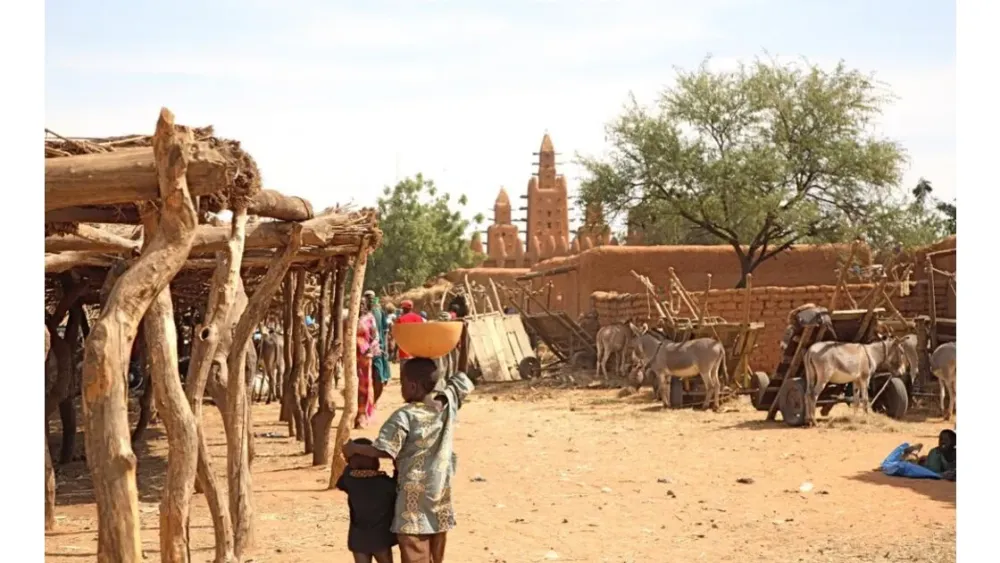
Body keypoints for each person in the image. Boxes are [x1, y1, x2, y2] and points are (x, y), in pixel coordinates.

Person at [342, 335, 474, 563]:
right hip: (440, 492)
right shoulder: (448, 403)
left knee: (414, 550)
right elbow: (461, 377)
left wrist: (353, 448)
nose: (401, 387)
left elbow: (383, 450)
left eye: (402, 382)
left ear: (412, 386)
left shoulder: (404, 416)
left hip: (412, 498)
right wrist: (462, 339)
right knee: (435, 552)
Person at [335, 437, 398, 563]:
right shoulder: (386, 484)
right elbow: (398, 484)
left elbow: (342, 480)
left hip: (358, 539)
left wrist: (350, 457)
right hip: (381, 539)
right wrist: (396, 466)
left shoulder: (349, 481)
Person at [355, 298, 381, 429]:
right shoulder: (350, 318)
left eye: (362, 304)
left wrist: (370, 349)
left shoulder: (370, 319)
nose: (360, 307)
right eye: (357, 304)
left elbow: (376, 337)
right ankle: (354, 412)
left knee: (364, 385)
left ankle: (362, 415)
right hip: (352, 356)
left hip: (365, 356)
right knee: (354, 385)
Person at [366, 291, 392, 407]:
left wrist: (385, 347)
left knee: (379, 377)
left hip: (378, 349)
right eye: (368, 298)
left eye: (372, 298)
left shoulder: (379, 312)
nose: (370, 301)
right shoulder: (362, 314)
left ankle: (374, 401)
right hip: (364, 350)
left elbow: (385, 332)